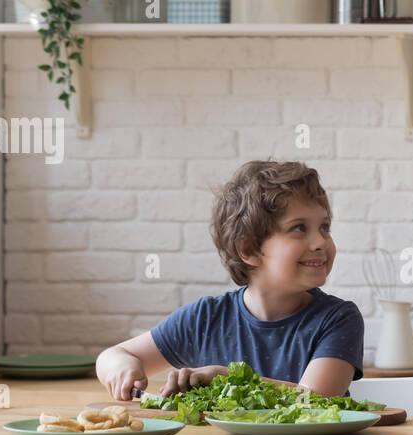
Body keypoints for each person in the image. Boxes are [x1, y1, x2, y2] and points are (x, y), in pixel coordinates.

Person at [96, 160, 364, 401]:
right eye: (298, 228)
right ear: (248, 250)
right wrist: (123, 367)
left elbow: (317, 400)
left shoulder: (339, 319)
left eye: (324, 227)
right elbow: (112, 356)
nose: (320, 242)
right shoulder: (204, 319)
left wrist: (230, 380)